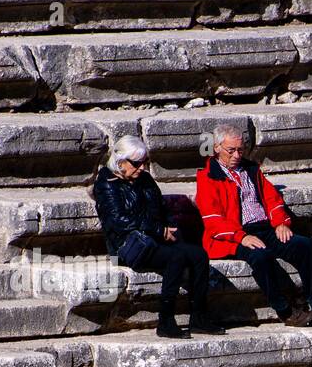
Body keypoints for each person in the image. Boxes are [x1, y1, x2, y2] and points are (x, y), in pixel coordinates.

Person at [194, 121, 312, 327]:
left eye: (240, 150)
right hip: (234, 235)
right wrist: (242, 237)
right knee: (260, 257)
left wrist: (281, 223)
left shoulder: (251, 169)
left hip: (264, 228)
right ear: (217, 148)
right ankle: (285, 310)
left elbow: (272, 199)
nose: (237, 155)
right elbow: (213, 220)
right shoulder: (208, 177)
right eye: (231, 150)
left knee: (304, 245)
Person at [93, 135, 223, 339]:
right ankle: (166, 321)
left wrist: (170, 227)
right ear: (120, 162)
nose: (142, 168)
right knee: (176, 257)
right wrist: (158, 230)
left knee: (198, 255)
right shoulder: (106, 184)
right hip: (127, 245)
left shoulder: (144, 179)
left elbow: (161, 207)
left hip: (154, 239)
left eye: (144, 163)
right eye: (136, 163)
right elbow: (119, 221)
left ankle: (199, 317)